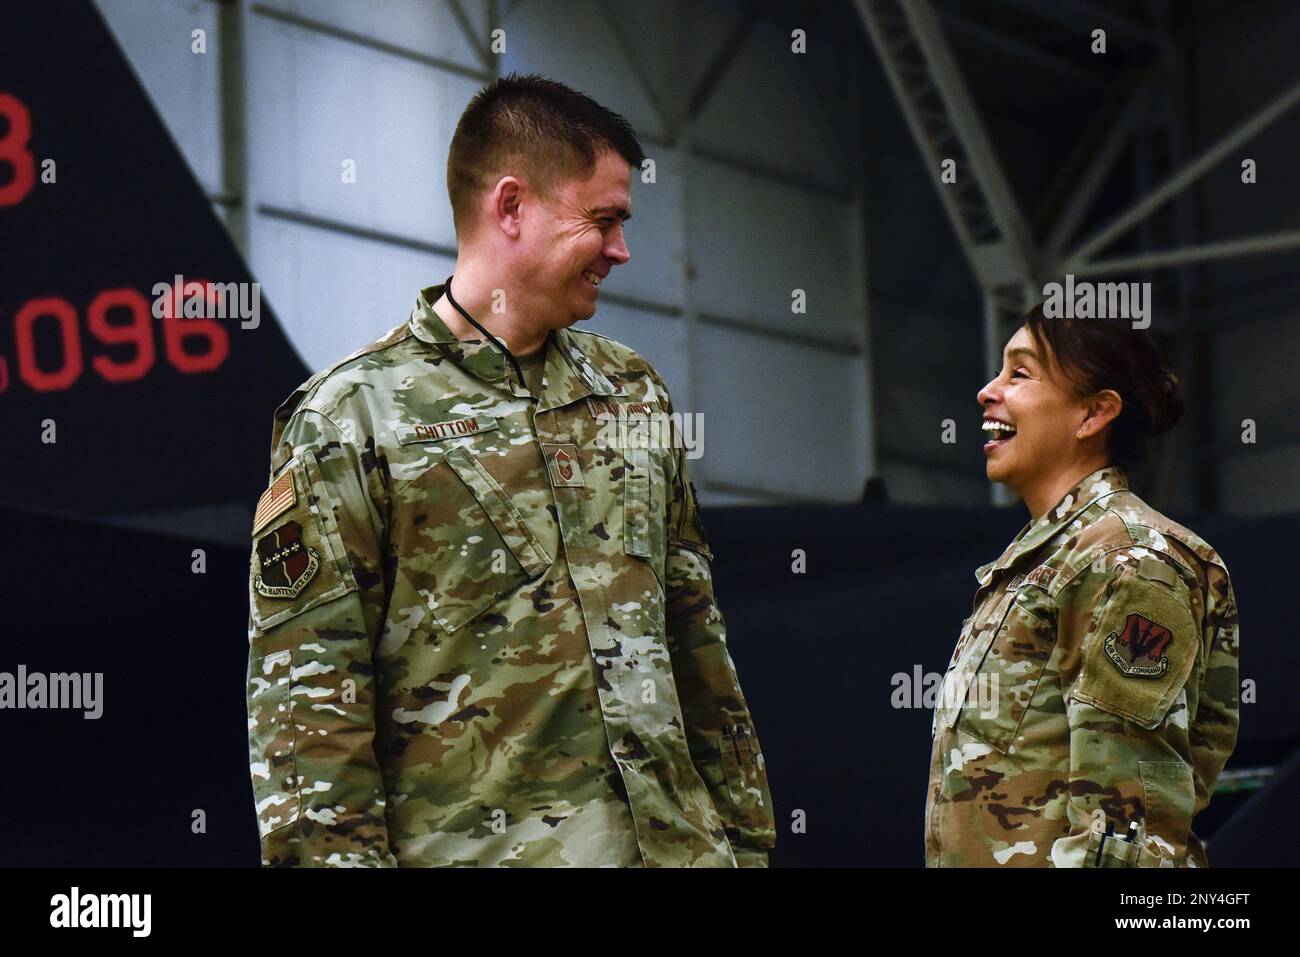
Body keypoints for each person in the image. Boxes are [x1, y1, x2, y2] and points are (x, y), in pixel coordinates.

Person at [244, 73, 774, 867]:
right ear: (512, 206)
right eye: (603, 220)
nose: (622, 251)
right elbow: (309, 730)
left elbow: (698, 649)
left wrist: (748, 847)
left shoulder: (632, 393)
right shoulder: (349, 420)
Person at [924, 303, 1240, 867]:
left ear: (1094, 413)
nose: (987, 392)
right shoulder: (1042, 562)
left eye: (1020, 373)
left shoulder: (1124, 560)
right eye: (999, 371)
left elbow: (1125, 826)